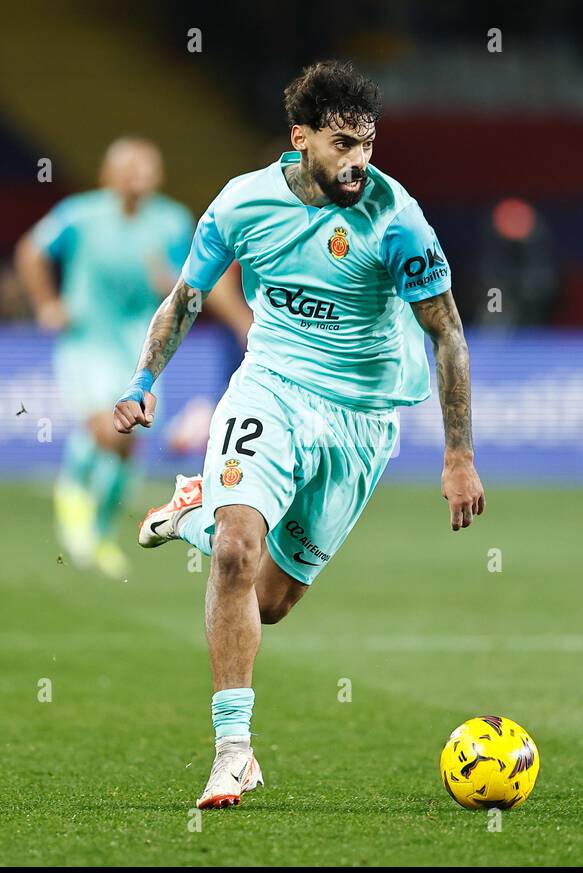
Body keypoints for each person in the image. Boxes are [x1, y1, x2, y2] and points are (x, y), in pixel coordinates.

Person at [111, 61, 485, 808]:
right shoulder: (242, 205)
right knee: (236, 554)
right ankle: (233, 753)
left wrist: (458, 454)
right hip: (272, 388)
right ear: (301, 139)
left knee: (272, 599)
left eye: (369, 144)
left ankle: (194, 509)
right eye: (344, 143)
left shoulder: (395, 219)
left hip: (364, 418)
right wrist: (142, 383)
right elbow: (185, 298)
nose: (359, 161)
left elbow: (446, 335)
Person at [15, 137, 249, 577]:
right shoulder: (79, 215)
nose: (138, 174)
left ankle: (99, 534)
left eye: (146, 166)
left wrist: (238, 319)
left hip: (143, 348)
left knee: (127, 441)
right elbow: (30, 251)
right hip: (87, 341)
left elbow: (192, 279)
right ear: (108, 173)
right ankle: (73, 498)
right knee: (107, 432)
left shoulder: (171, 221)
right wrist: (46, 302)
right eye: (129, 166)